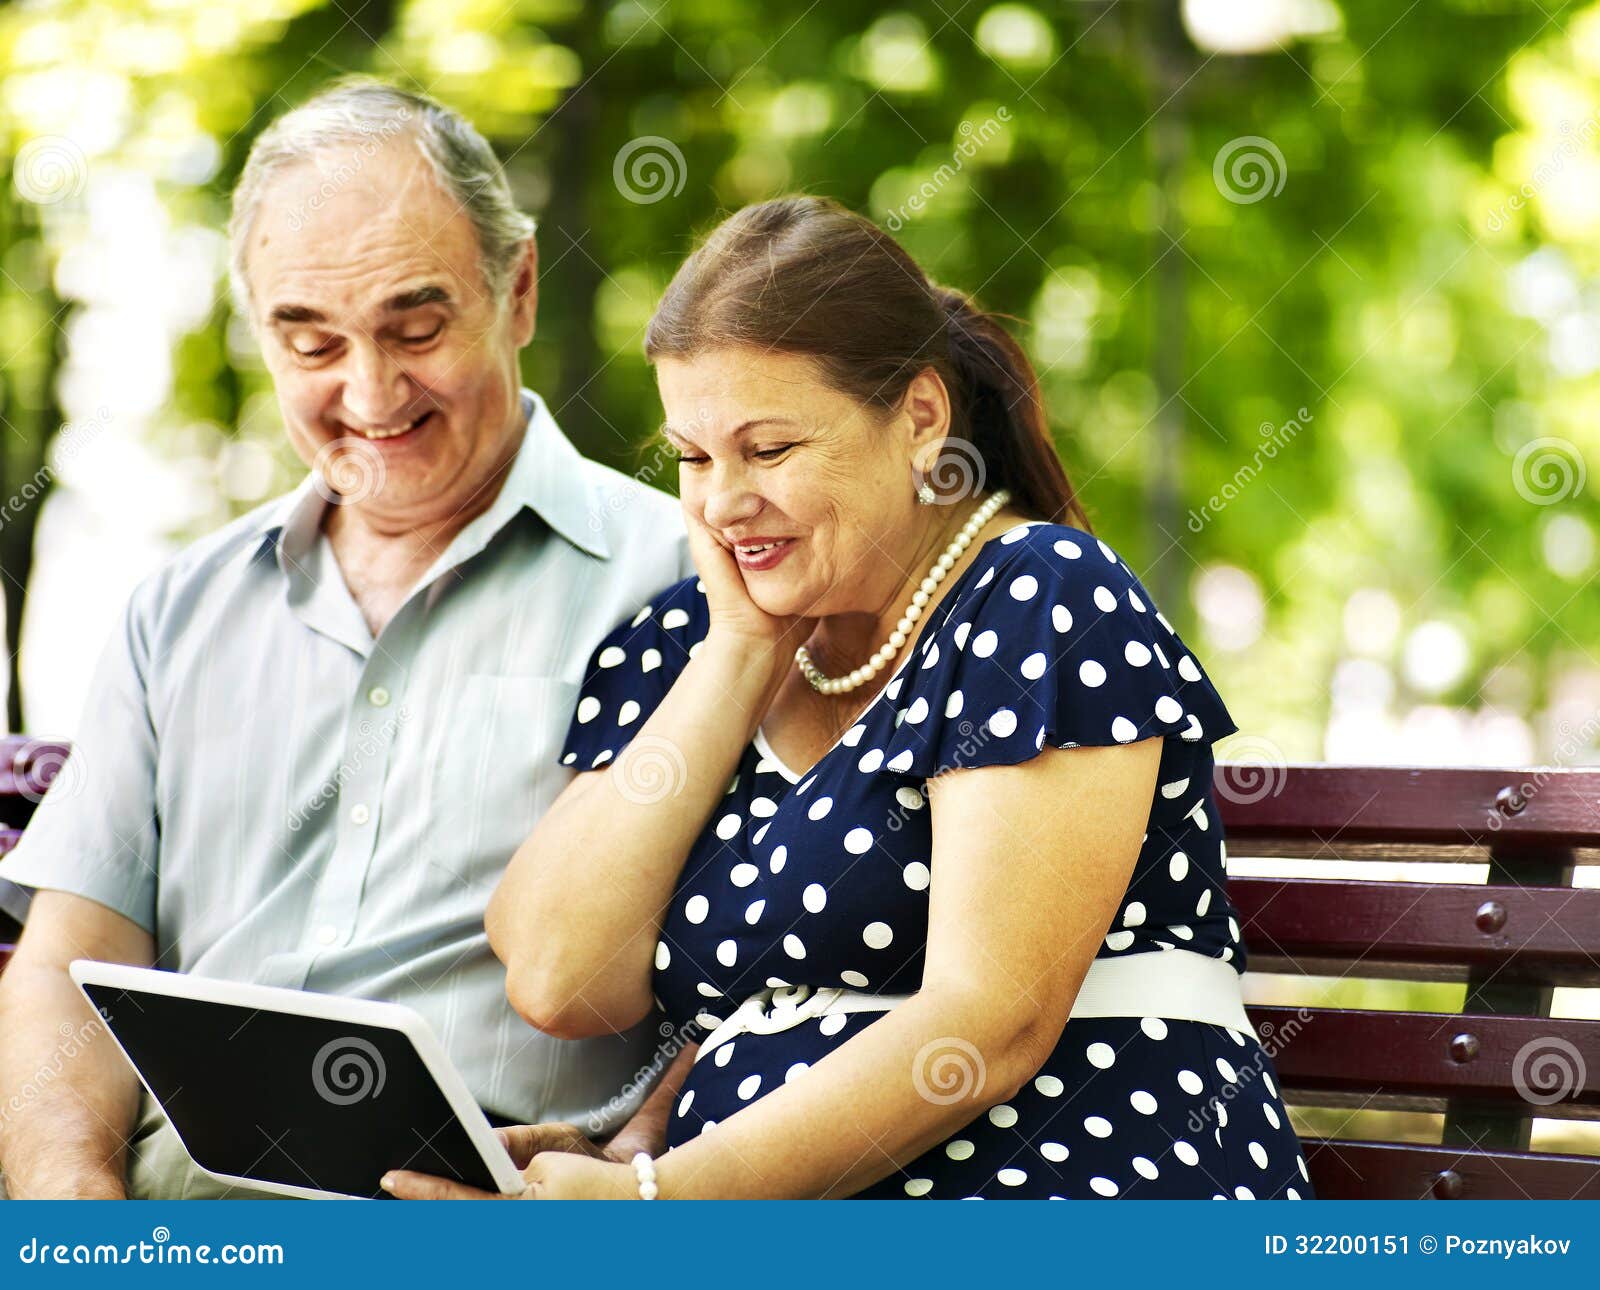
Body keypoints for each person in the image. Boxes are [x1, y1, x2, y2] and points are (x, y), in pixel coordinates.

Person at [383, 196, 1313, 1201]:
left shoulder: (1037, 597)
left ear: (919, 417)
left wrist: (660, 1207)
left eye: (769, 450)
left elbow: (987, 1023)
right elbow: (562, 977)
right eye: (694, 458)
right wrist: (740, 654)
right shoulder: (694, 639)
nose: (723, 502)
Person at [0, 78, 694, 1200]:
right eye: (310, 342)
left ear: (516, 292)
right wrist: (68, 1205)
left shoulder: (687, 577)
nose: (370, 393)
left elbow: (779, 953)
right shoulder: (176, 611)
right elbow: (69, 972)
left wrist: (635, 1166)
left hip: (485, 1222)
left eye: (415, 329)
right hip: (170, 1223)